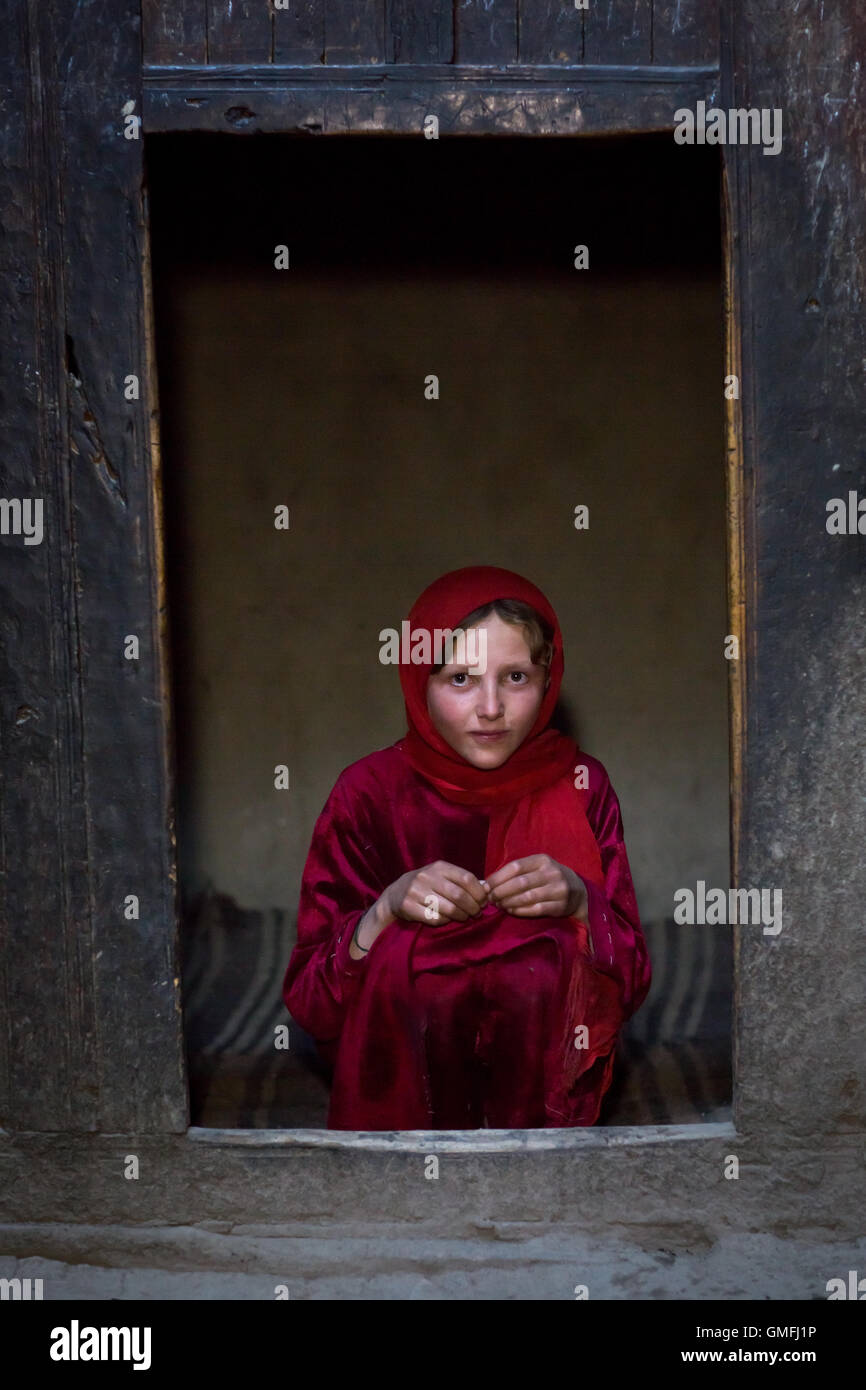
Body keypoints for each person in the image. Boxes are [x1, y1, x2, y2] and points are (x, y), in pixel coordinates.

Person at [282, 565, 651, 1129]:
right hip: (401, 1127)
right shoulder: (368, 795)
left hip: (544, 1134)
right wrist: (385, 909)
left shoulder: (580, 786)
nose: (491, 708)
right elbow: (312, 1002)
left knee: (547, 942)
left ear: (548, 680)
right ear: (416, 681)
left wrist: (581, 901)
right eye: (460, 679)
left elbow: (631, 978)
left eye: (516, 677)